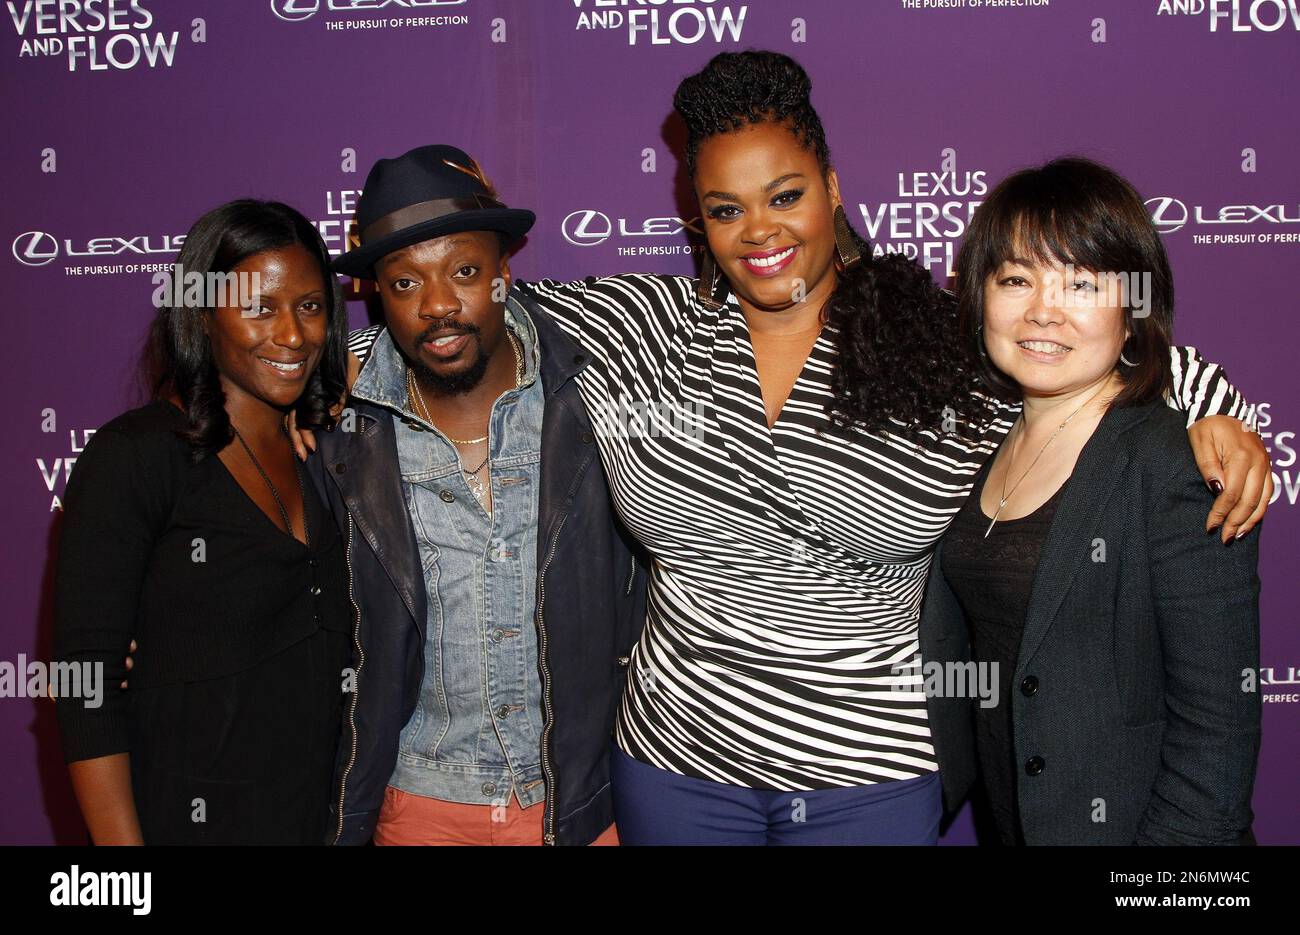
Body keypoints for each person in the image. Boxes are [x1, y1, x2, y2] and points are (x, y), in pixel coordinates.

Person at [338, 55, 1270, 844]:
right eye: (726, 209)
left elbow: (1101, 348)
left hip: (874, 774)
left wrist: (1219, 416)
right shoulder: (647, 328)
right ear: (698, 222)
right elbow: (458, 313)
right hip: (674, 765)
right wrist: (318, 379)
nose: (762, 233)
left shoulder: (940, 339)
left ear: (829, 187)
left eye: (784, 196)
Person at [918, 157, 1261, 845]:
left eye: (1081, 282)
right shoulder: (978, 440)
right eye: (1016, 278)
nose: (1043, 309)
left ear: (1133, 310)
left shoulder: (1176, 462)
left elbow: (1218, 733)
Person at [311, 145, 645, 845]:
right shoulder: (339, 427)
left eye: (464, 272)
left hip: (581, 801)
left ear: (504, 272)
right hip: (420, 802)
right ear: (376, 292)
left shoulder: (592, 391)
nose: (438, 306)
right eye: (404, 284)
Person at [53, 200, 352, 844]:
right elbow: (85, 688)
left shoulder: (327, 451)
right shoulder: (136, 456)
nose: (293, 334)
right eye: (260, 307)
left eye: (310, 306)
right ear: (203, 312)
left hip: (320, 824)